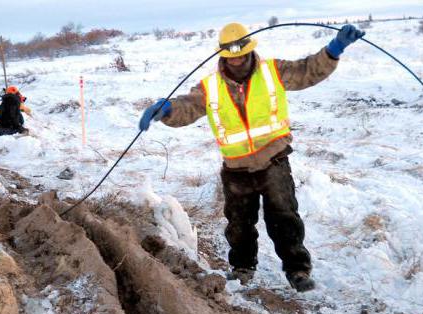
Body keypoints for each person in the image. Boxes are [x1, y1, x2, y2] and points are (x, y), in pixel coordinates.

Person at [139, 22, 364, 291]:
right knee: (239, 224)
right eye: (230, 56)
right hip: (236, 169)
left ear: (249, 50)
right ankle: (243, 268)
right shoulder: (209, 87)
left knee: (284, 217)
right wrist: (166, 110)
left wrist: (334, 49)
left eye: (241, 54)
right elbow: (188, 107)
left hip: (274, 161)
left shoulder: (273, 71)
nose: (237, 61)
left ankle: (297, 271)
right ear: (222, 54)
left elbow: (307, 71)